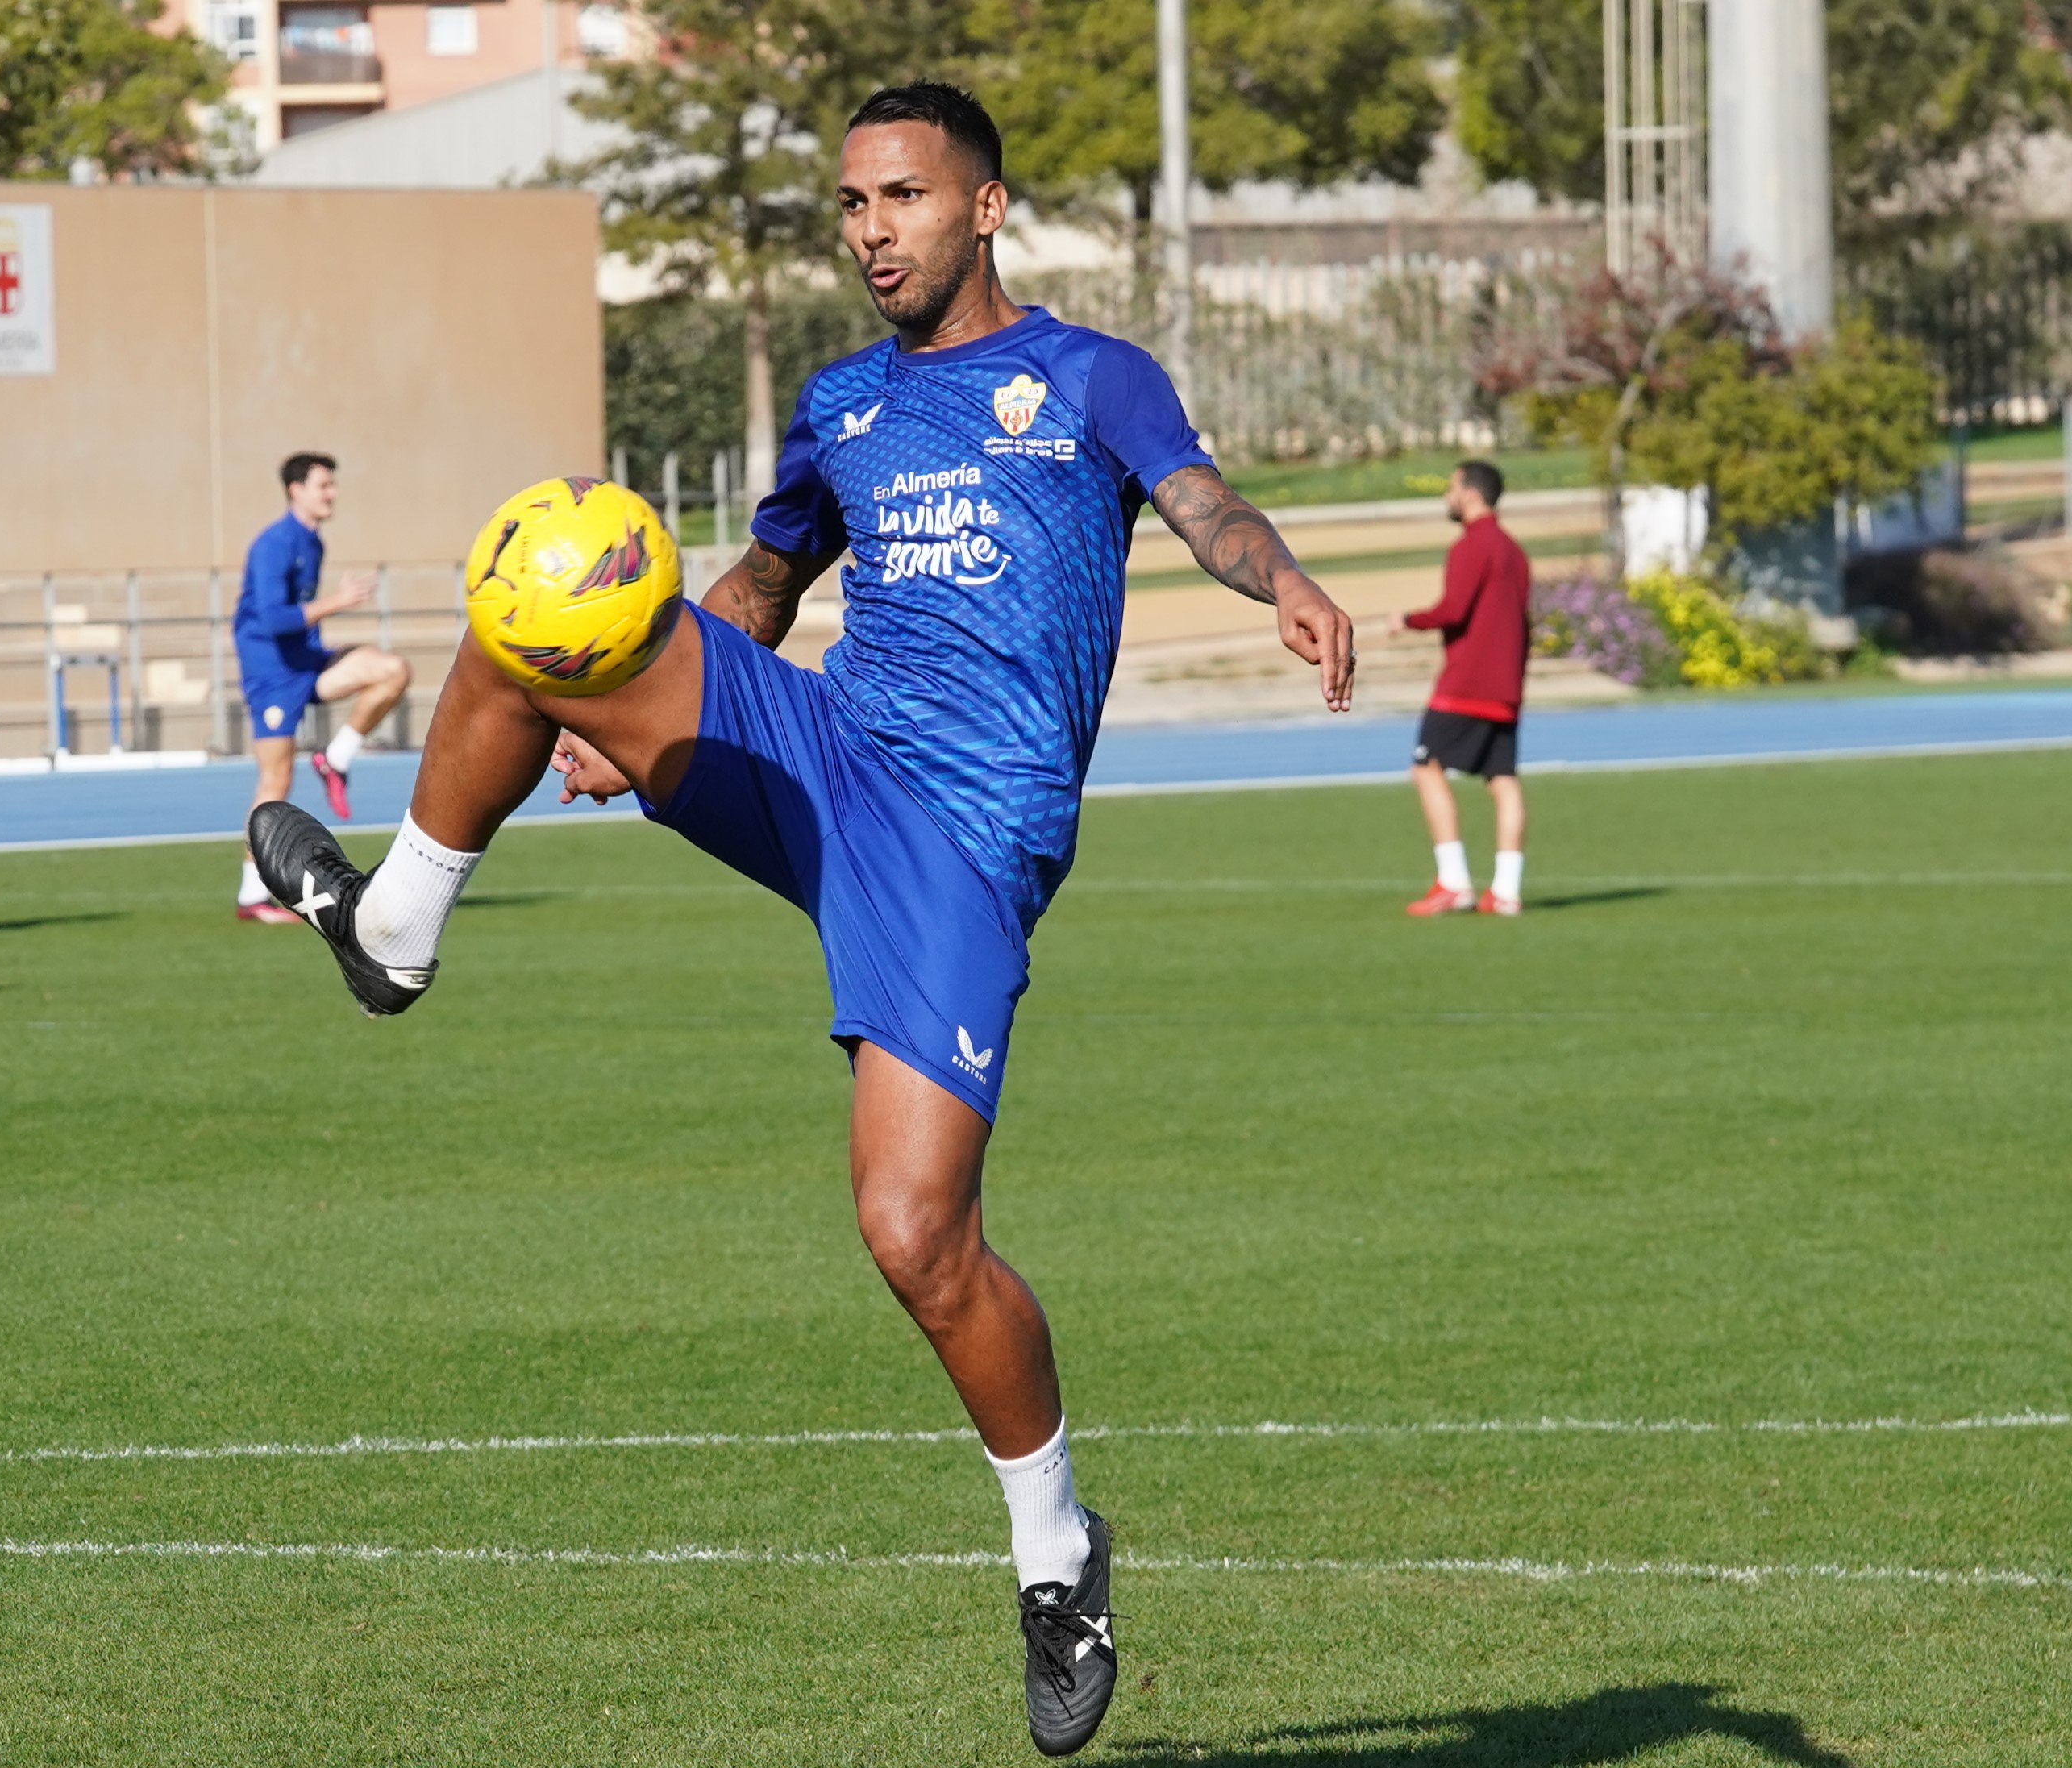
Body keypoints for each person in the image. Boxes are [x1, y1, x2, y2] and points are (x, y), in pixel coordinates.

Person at [243, 84, 1354, 1758]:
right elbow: (760, 591)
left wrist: (1284, 580)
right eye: (849, 202)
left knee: (915, 1236)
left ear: (984, 207)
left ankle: (1056, 1552)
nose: (870, 229)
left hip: (961, 843)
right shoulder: (840, 404)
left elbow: (1205, 505)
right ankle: (394, 925)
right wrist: (618, 708)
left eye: (902, 196)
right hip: (825, 751)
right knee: (543, 586)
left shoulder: (1087, 377)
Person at [231, 451, 414, 922]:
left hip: (307, 662)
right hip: (271, 673)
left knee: (391, 670)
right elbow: (274, 620)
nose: (332, 493)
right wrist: (339, 601)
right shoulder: (274, 543)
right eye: (323, 485)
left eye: (332, 485)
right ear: (296, 490)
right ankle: (252, 897)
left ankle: (336, 758)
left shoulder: (312, 541)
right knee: (275, 782)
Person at [1399, 459, 1533, 918]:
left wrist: (1407, 620)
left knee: (1426, 767)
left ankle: (1453, 882)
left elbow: (1453, 610)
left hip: (1467, 683)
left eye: (1451, 487)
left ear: (1471, 493)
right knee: (1503, 780)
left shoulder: (1473, 545)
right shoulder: (1513, 549)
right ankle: (1507, 891)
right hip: (1507, 684)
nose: (1447, 496)